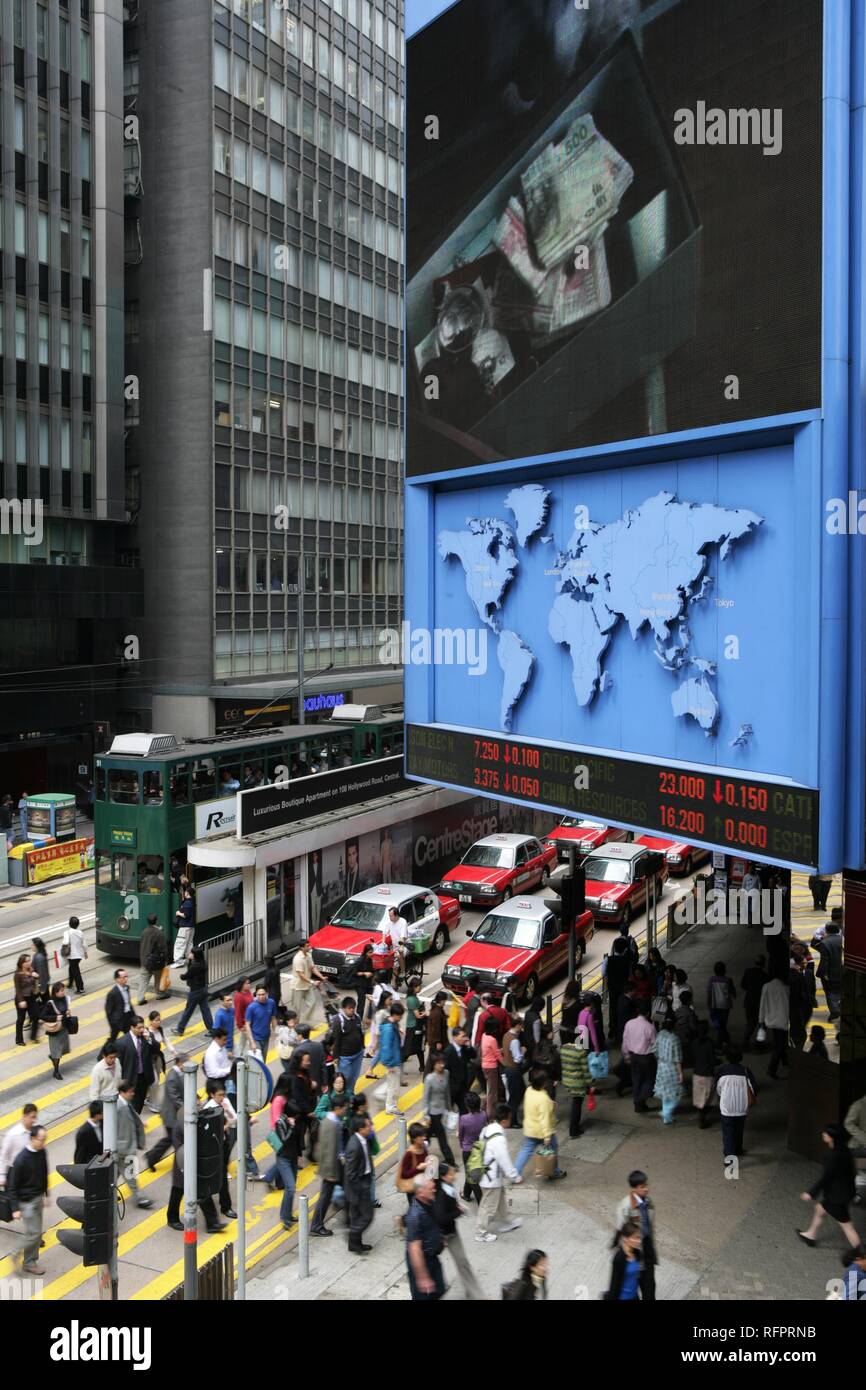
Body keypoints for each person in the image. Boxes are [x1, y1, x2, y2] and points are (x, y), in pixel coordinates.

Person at [798, 1124, 860, 1249]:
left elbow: (826, 1178)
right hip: (842, 1193)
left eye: (826, 1134)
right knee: (820, 1209)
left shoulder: (833, 1156)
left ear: (832, 1138)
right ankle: (810, 1235)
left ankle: (862, 1255)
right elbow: (851, 1173)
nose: (823, 1134)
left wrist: (811, 1193)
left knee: (847, 1226)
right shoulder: (845, 1151)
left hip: (837, 1197)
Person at [434, 1160, 484, 1300]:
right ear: (443, 1177)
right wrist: (458, 1211)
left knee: (463, 1263)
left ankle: (474, 1293)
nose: (454, 1175)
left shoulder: (447, 1186)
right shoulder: (441, 1194)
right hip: (442, 1235)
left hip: (450, 1233)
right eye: (451, 1174)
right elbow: (441, 1218)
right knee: (433, 1263)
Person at [475, 1103, 522, 1242]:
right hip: (491, 1178)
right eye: (510, 1118)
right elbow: (504, 1160)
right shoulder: (499, 1139)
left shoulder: (487, 1129)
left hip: (486, 1173)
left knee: (500, 1198)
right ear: (505, 1120)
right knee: (488, 1207)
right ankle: (480, 1232)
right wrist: (514, 1176)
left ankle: (508, 1221)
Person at [8, 1124, 50, 1277]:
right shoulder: (21, 1160)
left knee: (37, 1233)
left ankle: (30, 1262)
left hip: (38, 1197)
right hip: (26, 1202)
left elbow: (44, 1172)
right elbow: (12, 1186)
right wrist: (15, 1209)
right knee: (33, 1233)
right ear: (32, 1138)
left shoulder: (42, 1152)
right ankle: (16, 1253)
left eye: (45, 1139)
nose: (44, 1142)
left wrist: (47, 1194)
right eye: (41, 1139)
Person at [514, 1072, 565, 1180]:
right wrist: (547, 1136)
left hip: (530, 1129)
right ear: (543, 1083)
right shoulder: (543, 1099)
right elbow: (544, 1119)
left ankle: (515, 1173)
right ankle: (554, 1171)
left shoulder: (529, 1090)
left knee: (526, 1150)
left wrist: (550, 1103)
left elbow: (534, 1105)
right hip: (542, 1132)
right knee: (553, 1147)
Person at [615, 1171, 657, 1300]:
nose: (646, 1189)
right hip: (634, 1253)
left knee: (649, 1289)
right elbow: (622, 1234)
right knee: (632, 1291)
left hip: (647, 1251)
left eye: (646, 1185)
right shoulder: (625, 1207)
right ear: (634, 1188)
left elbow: (650, 1227)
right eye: (642, 1186)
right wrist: (630, 1257)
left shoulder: (648, 1202)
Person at [310, 1095, 349, 1236]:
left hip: (334, 1165)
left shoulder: (330, 1121)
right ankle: (316, 1225)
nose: (346, 1110)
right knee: (325, 1197)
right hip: (332, 1168)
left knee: (348, 1188)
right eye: (344, 1107)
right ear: (338, 1108)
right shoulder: (332, 1124)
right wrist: (330, 1173)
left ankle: (350, 1218)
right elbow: (329, 1149)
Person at [406, 1173, 446, 1300]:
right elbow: (414, 1249)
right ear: (420, 1192)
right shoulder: (415, 1215)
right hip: (423, 1261)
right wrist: (423, 1277)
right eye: (431, 1188)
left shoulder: (429, 1202)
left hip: (432, 1257)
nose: (434, 1189)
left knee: (439, 1290)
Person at [116, 1081, 154, 1209]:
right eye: (130, 1092)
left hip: (121, 1148)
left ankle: (106, 1193)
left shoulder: (124, 1103)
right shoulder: (119, 1106)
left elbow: (131, 1116)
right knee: (130, 1174)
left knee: (114, 1174)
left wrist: (139, 1122)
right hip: (123, 1148)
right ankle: (140, 1198)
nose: (133, 1094)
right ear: (122, 1092)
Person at [715, 1046, 757, 1160]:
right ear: (741, 1057)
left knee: (728, 1133)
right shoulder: (746, 1071)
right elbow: (754, 1089)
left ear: (727, 1057)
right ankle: (738, 1149)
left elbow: (718, 1089)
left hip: (726, 1108)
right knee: (739, 1130)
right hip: (742, 1108)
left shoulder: (722, 1071)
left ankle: (729, 1157)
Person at [145, 1055, 184, 1170]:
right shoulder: (172, 1077)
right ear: (180, 1063)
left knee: (171, 1139)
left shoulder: (179, 1074)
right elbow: (175, 1098)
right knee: (173, 1140)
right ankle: (151, 1157)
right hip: (170, 1116)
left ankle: (151, 1156)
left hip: (174, 1115)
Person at [344, 1114, 375, 1254]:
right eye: (368, 1126)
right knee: (367, 1215)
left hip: (365, 1178)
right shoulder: (354, 1146)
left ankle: (355, 1244)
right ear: (360, 1129)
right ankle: (353, 1234)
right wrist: (361, 1188)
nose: (371, 1128)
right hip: (359, 1185)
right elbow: (350, 1173)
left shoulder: (363, 1139)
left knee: (356, 1216)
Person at [116, 1016, 158, 1113]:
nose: (142, 1030)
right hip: (130, 1079)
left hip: (144, 1078)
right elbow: (119, 1063)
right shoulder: (122, 1042)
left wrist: (149, 1039)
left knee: (139, 1105)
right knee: (131, 1106)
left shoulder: (146, 1037)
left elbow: (156, 1049)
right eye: (139, 1028)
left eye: (143, 1027)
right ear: (132, 1027)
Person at [622, 1001, 657, 1114]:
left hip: (633, 1056)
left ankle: (638, 1103)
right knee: (649, 1080)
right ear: (648, 1013)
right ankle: (640, 1100)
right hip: (647, 1058)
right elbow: (655, 1045)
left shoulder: (629, 1024)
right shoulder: (650, 1027)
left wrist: (626, 1055)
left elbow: (625, 1041)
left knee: (636, 1080)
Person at [423, 1054, 456, 1164]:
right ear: (433, 1065)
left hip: (443, 1111)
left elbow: (447, 1092)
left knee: (428, 1134)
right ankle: (450, 1160)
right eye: (439, 1063)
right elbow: (426, 1098)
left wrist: (449, 1108)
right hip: (433, 1112)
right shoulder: (429, 1079)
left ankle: (420, 1152)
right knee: (442, 1137)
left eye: (443, 1063)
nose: (442, 1065)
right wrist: (426, 1115)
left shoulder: (446, 1073)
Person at [173, 947, 214, 1037]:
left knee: (188, 1010)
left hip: (195, 991)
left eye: (191, 953)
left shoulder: (195, 966)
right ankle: (211, 1029)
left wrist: (181, 975)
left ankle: (180, 1029)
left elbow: (185, 976)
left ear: (195, 955)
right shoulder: (203, 963)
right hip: (203, 989)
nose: (190, 954)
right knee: (205, 1010)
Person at [331, 996, 366, 1092]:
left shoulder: (357, 1017)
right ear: (344, 1008)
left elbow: (361, 1032)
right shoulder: (338, 1021)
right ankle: (343, 1095)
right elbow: (336, 1040)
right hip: (344, 1057)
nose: (352, 1010)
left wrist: (363, 1047)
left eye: (353, 1008)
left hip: (358, 1053)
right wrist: (336, 1057)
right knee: (344, 1078)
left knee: (354, 1076)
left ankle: (350, 1093)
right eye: (349, 1008)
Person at [0, 1104, 40, 1189]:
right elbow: (3, 1156)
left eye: (35, 1117)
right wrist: (2, 1176)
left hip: (31, 1172)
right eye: (32, 1117)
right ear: (24, 1116)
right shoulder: (12, 1135)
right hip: (15, 1174)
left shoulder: (36, 1132)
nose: (34, 1120)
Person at [288, 940, 327, 1026]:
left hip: (307, 985)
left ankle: (304, 1022)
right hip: (298, 986)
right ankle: (294, 1025)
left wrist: (321, 977)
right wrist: (313, 982)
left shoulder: (308, 955)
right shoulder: (297, 959)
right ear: (302, 948)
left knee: (312, 1003)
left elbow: (313, 968)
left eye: (309, 946)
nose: (309, 947)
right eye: (307, 946)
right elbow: (301, 975)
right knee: (296, 1008)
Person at [653, 1017, 684, 1124]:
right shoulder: (674, 1038)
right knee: (676, 1093)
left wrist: (659, 1061)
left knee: (665, 1093)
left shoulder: (660, 1034)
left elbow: (655, 1050)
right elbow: (678, 1059)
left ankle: (667, 1118)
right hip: (671, 1068)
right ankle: (666, 1112)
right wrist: (680, 1073)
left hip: (661, 1066)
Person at [759, 973, 790, 1079]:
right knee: (779, 1045)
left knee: (778, 1041)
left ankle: (785, 1060)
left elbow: (762, 1005)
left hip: (771, 1021)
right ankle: (772, 1069)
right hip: (783, 1020)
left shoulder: (766, 986)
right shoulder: (786, 988)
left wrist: (761, 1020)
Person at [561, 1033, 592, 1137]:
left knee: (575, 1103)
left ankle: (574, 1127)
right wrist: (590, 1083)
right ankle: (574, 1130)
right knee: (577, 1105)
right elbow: (585, 1070)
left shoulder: (563, 1048)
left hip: (567, 1080)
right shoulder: (580, 1051)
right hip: (578, 1082)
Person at [603, 1220, 643, 1301]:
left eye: (639, 1238)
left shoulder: (638, 1253)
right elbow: (614, 1284)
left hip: (634, 1297)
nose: (639, 1241)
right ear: (625, 1238)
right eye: (636, 1238)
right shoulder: (619, 1258)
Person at [458, 1094, 487, 1203]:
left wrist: (462, 1145)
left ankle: (481, 1201)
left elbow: (461, 1135)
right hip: (479, 1149)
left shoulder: (464, 1119)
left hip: (468, 1150)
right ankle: (466, 1194)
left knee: (471, 1177)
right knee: (470, 1172)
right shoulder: (484, 1115)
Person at [42, 982, 73, 1081]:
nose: (63, 992)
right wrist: (55, 1017)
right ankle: (56, 1071)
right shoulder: (50, 1003)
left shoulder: (65, 999)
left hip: (63, 1028)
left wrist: (67, 1013)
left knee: (64, 1050)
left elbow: (65, 1011)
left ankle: (53, 1056)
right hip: (54, 1030)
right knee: (57, 1053)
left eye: (63, 990)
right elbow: (42, 1016)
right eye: (61, 991)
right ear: (55, 993)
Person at [379, 1001, 405, 1115]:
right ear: (394, 1015)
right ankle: (390, 1107)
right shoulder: (389, 1029)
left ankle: (387, 1101)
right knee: (393, 1085)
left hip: (395, 1058)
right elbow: (385, 1047)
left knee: (392, 1083)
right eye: (400, 1016)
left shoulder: (391, 1024)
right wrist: (389, 1064)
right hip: (393, 1061)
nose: (401, 1018)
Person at [137, 915, 169, 1006]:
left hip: (144, 960)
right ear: (156, 921)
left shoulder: (144, 932)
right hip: (156, 962)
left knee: (144, 980)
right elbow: (163, 948)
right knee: (158, 979)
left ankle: (140, 998)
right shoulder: (159, 933)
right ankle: (159, 994)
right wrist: (165, 960)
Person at [604, 938, 632, 1041]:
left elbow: (603, 973)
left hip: (612, 988)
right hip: (623, 989)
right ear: (625, 949)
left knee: (612, 1009)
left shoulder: (608, 959)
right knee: (622, 1010)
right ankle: (621, 1032)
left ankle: (612, 1030)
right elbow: (629, 976)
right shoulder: (627, 961)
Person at [692, 1020, 717, 1128]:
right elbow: (712, 1060)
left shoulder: (694, 1043)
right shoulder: (710, 1043)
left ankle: (701, 1116)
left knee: (699, 1097)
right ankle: (702, 1118)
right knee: (709, 1098)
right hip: (707, 1074)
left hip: (697, 1074)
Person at [816, 919, 843, 1022]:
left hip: (830, 973)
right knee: (840, 991)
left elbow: (825, 961)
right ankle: (839, 1007)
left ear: (827, 931)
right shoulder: (843, 940)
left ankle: (834, 1010)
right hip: (842, 971)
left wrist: (821, 973)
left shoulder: (824, 943)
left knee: (830, 993)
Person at [740, 955, 769, 1048]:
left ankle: (745, 1042)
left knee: (750, 1023)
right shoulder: (765, 976)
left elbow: (743, 985)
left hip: (749, 1002)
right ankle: (759, 1043)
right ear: (764, 964)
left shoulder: (748, 972)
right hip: (760, 1003)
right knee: (761, 1024)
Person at [501, 1018, 526, 1125]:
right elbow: (517, 1059)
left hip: (507, 1069)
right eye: (521, 1026)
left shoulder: (506, 1035)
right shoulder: (515, 1040)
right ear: (518, 1025)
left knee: (515, 1093)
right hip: (514, 1070)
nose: (522, 1028)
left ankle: (510, 1117)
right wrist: (523, 1052)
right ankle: (512, 1120)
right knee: (516, 1096)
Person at [244, 984, 277, 1062]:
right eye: (258, 995)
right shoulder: (251, 1007)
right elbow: (247, 1025)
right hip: (255, 1039)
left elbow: (273, 1018)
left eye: (263, 994)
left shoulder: (271, 1003)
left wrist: (277, 1033)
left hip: (266, 1037)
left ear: (267, 994)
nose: (261, 997)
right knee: (257, 1063)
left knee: (263, 1062)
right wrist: (252, 1042)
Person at [13, 955, 40, 1047]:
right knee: (21, 1019)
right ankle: (19, 1039)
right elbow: (18, 989)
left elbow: (35, 983)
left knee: (36, 1016)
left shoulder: (31, 970)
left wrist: (36, 976)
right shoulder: (18, 974)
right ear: (22, 963)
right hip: (22, 999)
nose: (29, 962)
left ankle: (33, 1036)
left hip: (31, 997)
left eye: (29, 960)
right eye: (26, 961)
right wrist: (21, 1001)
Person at [707, 961, 736, 1044]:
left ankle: (721, 1042)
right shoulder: (728, 980)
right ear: (724, 970)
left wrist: (708, 1003)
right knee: (723, 1024)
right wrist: (734, 995)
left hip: (715, 1004)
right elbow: (732, 990)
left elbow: (709, 992)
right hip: (725, 1005)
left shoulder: (712, 980)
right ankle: (725, 1040)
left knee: (718, 1024)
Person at [481, 1018, 505, 1120]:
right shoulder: (492, 1039)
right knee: (492, 1093)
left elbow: (491, 1051)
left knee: (489, 1089)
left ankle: (483, 1106)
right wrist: (505, 1063)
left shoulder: (484, 1036)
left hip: (484, 1065)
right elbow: (498, 1055)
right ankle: (490, 1115)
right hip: (492, 1067)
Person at [105, 968, 135, 1040]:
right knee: (113, 1038)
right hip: (118, 1020)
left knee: (130, 1038)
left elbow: (128, 1003)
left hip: (128, 1017)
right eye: (124, 977)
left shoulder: (127, 988)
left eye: (126, 976)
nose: (126, 979)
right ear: (117, 979)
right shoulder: (112, 993)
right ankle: (107, 1050)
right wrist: (113, 1024)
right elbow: (108, 1011)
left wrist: (134, 1016)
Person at [348, 944, 376, 1020]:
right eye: (370, 952)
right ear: (365, 952)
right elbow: (354, 972)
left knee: (373, 999)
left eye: (372, 952)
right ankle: (358, 1020)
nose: (371, 954)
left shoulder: (370, 960)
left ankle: (369, 1018)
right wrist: (364, 973)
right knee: (361, 1002)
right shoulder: (360, 961)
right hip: (360, 984)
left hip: (368, 984)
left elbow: (371, 970)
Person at [64, 916, 88, 996]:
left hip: (72, 955)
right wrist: (85, 952)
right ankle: (70, 984)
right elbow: (84, 944)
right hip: (79, 955)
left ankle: (81, 988)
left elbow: (66, 942)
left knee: (76, 971)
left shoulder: (67, 932)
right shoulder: (80, 932)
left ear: (69, 924)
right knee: (72, 968)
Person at [173, 887, 196, 966]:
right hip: (191, 927)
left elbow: (186, 915)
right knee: (189, 944)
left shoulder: (187, 903)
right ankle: (189, 960)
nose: (184, 893)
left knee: (180, 943)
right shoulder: (192, 902)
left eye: (185, 892)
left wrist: (178, 913)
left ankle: (178, 961)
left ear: (188, 893)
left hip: (185, 927)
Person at [426, 990, 450, 1064]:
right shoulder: (437, 1013)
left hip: (435, 1040)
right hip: (437, 1040)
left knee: (432, 1059)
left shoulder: (437, 1009)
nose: (445, 1002)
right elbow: (436, 1028)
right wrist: (438, 1042)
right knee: (437, 1059)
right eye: (445, 1000)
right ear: (441, 1000)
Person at [233, 977, 254, 1057]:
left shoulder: (248, 992)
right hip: (245, 1024)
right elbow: (237, 1012)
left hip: (251, 1021)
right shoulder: (239, 996)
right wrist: (240, 1025)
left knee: (242, 1042)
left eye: (249, 983)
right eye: (247, 983)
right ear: (242, 985)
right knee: (250, 1041)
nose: (249, 985)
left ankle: (238, 1057)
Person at [276, 1007, 301, 1073]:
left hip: (296, 1055)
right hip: (287, 1056)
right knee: (290, 1073)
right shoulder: (282, 1029)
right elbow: (286, 1042)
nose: (295, 1020)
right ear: (287, 1020)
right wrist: (293, 1029)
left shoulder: (297, 1027)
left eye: (295, 1018)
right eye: (293, 1019)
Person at [30, 938, 50, 1009]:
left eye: (32, 945)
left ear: (36, 946)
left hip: (40, 984)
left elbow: (42, 974)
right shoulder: (38, 954)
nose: (31, 946)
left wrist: (42, 989)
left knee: (45, 1001)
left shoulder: (39, 958)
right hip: (42, 983)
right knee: (46, 1001)